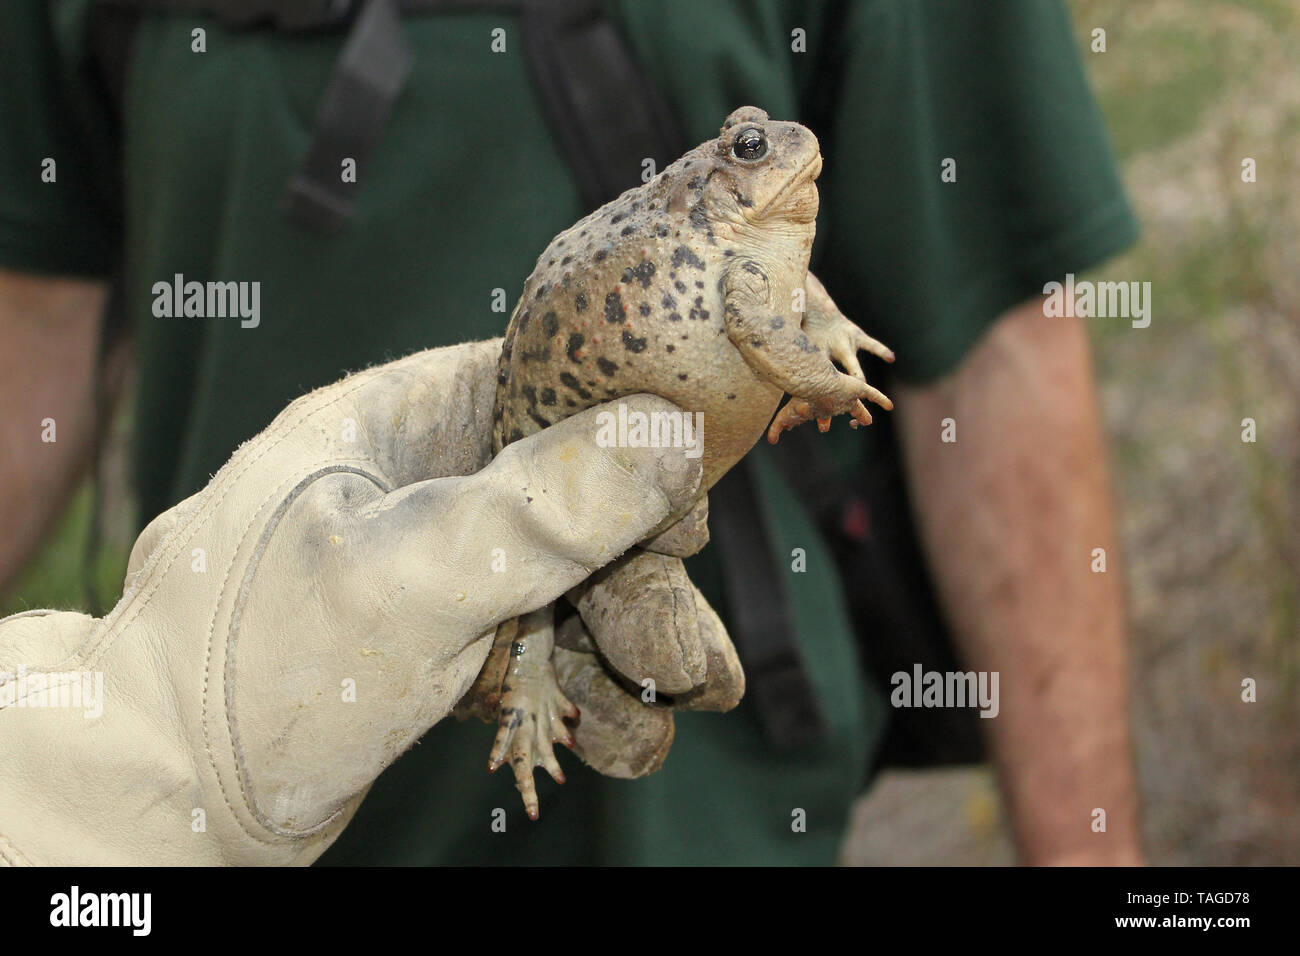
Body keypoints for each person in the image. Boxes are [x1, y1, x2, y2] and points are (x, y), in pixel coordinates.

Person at [0, 0, 1143, 864]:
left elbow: (999, 342)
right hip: (207, 784)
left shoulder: (759, 236)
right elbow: (33, 315)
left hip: (702, 814)